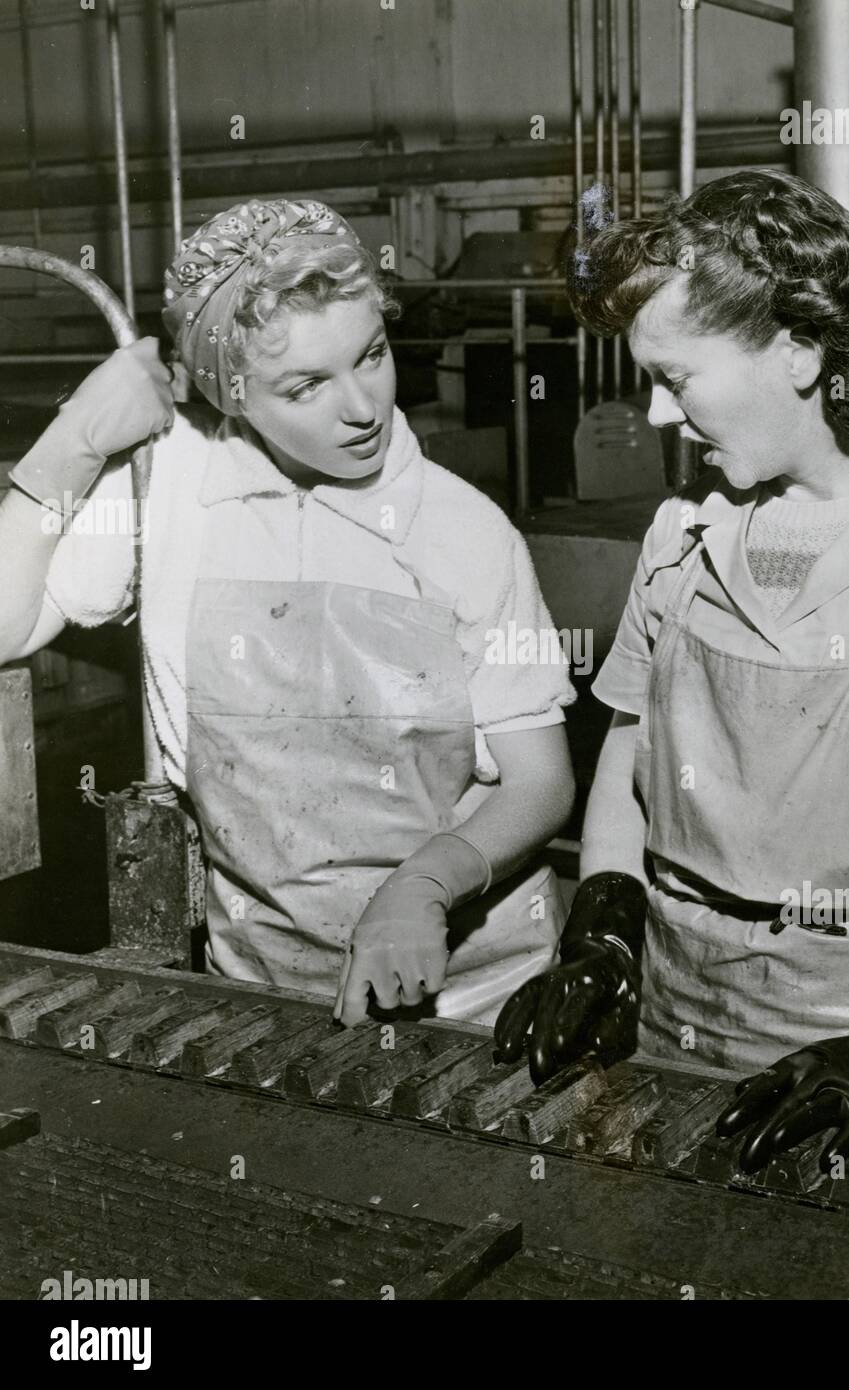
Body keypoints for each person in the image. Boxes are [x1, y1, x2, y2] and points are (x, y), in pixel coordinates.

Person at [495, 170, 849, 1173]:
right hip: (675, 1034)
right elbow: (626, 767)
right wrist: (601, 932)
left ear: (798, 351)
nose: (660, 415)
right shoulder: (683, 530)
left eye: (677, 377)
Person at [0, 198, 576, 1027]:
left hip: (473, 997)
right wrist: (75, 441)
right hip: (260, 987)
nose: (362, 405)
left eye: (370, 356)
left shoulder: (464, 532)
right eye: (306, 384)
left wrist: (428, 884)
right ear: (225, 393)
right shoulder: (168, 489)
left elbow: (541, 781)